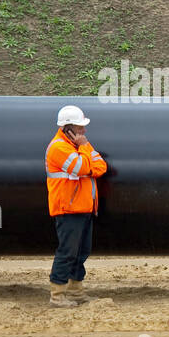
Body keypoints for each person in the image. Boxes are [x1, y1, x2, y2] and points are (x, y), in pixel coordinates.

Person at [45, 105, 108, 307]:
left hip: (84, 208)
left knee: (81, 252)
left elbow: (100, 167)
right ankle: (57, 295)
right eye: (80, 128)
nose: (84, 132)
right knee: (67, 252)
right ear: (67, 128)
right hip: (68, 210)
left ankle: (76, 291)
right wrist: (85, 150)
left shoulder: (78, 146)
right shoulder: (58, 148)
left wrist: (84, 147)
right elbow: (82, 167)